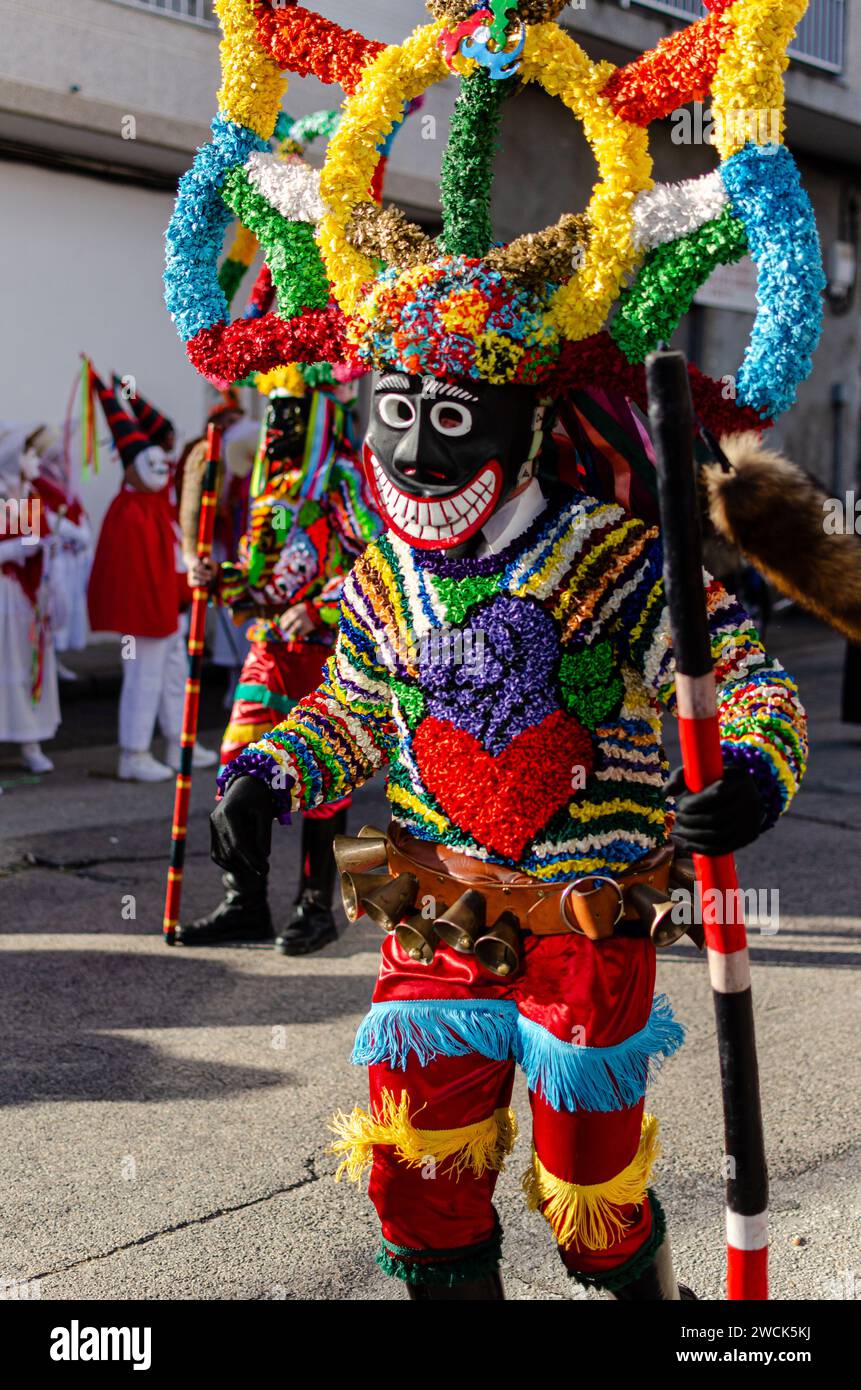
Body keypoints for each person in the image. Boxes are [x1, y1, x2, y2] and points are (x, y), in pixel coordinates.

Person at [178, 376, 380, 954]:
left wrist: (318, 606)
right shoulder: (268, 488)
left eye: (294, 413)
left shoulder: (343, 480)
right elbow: (255, 577)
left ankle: (315, 907)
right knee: (240, 766)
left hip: (326, 654)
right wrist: (217, 579)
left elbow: (381, 559)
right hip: (268, 651)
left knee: (321, 776)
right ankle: (245, 902)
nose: (281, 425)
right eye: (276, 412)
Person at [86, 371, 216, 782]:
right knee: (141, 677)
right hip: (140, 624)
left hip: (167, 612)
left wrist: (127, 388)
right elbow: (132, 576)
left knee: (174, 675)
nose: (165, 464)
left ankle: (180, 743)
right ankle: (134, 751)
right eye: (157, 458)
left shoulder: (156, 502)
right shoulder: (130, 512)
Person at [0, 424, 62, 773]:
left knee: (28, 663)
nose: (35, 460)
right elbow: (16, 543)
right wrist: (18, 547)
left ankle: (30, 740)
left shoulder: (28, 496)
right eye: (29, 453)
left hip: (27, 597)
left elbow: (35, 535)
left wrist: (44, 543)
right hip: (4, 594)